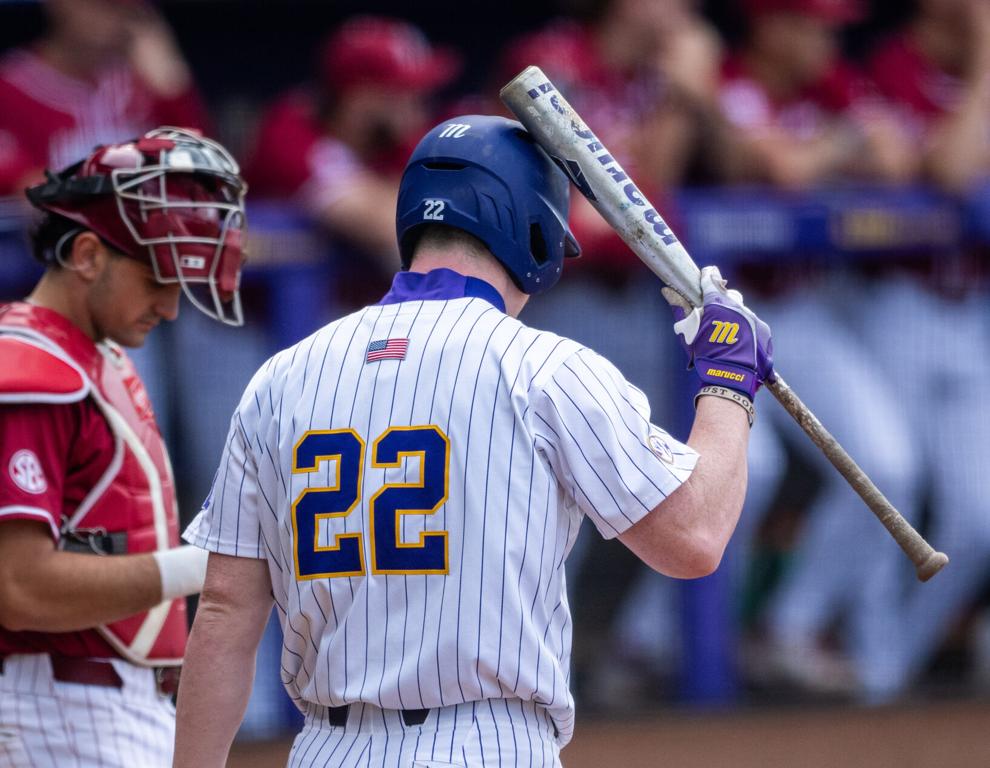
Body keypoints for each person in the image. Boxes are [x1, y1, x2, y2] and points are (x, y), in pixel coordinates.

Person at [173, 114, 773, 766]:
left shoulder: (281, 378)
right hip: (484, 744)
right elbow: (693, 537)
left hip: (327, 747)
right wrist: (728, 385)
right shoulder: (546, 369)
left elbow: (225, 613)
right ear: (534, 231)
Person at [0, 126, 248, 766]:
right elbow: (18, 586)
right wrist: (201, 568)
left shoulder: (97, 352)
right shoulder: (30, 367)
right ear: (87, 254)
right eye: (158, 280)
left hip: (103, 703)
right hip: (56, 704)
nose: (170, 309)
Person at [713, 0, 923, 698]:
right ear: (771, 25)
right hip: (714, 308)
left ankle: (787, 628)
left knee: (887, 463)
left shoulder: (827, 87)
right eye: (813, 24)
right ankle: (656, 647)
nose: (829, 39)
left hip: (800, 308)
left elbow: (895, 164)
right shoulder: (729, 82)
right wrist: (839, 144)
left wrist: (832, 140)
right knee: (745, 472)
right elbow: (783, 172)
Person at [857, 0, 990, 698]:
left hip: (968, 310)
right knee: (893, 490)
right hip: (897, 304)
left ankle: (891, 667)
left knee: (981, 519)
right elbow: (950, 168)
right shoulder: (896, 64)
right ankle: (868, 669)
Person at [244, 14, 459, 285]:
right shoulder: (289, 131)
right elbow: (391, 228)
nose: (420, 101)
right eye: (406, 89)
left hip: (350, 312)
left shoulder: (401, 139)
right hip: (245, 318)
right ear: (360, 98)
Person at [0, 0, 209, 196]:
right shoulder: (10, 84)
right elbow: (16, 180)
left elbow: (204, 173)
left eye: (117, 5)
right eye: (95, 4)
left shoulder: (148, 81)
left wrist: (172, 87)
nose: (106, 13)